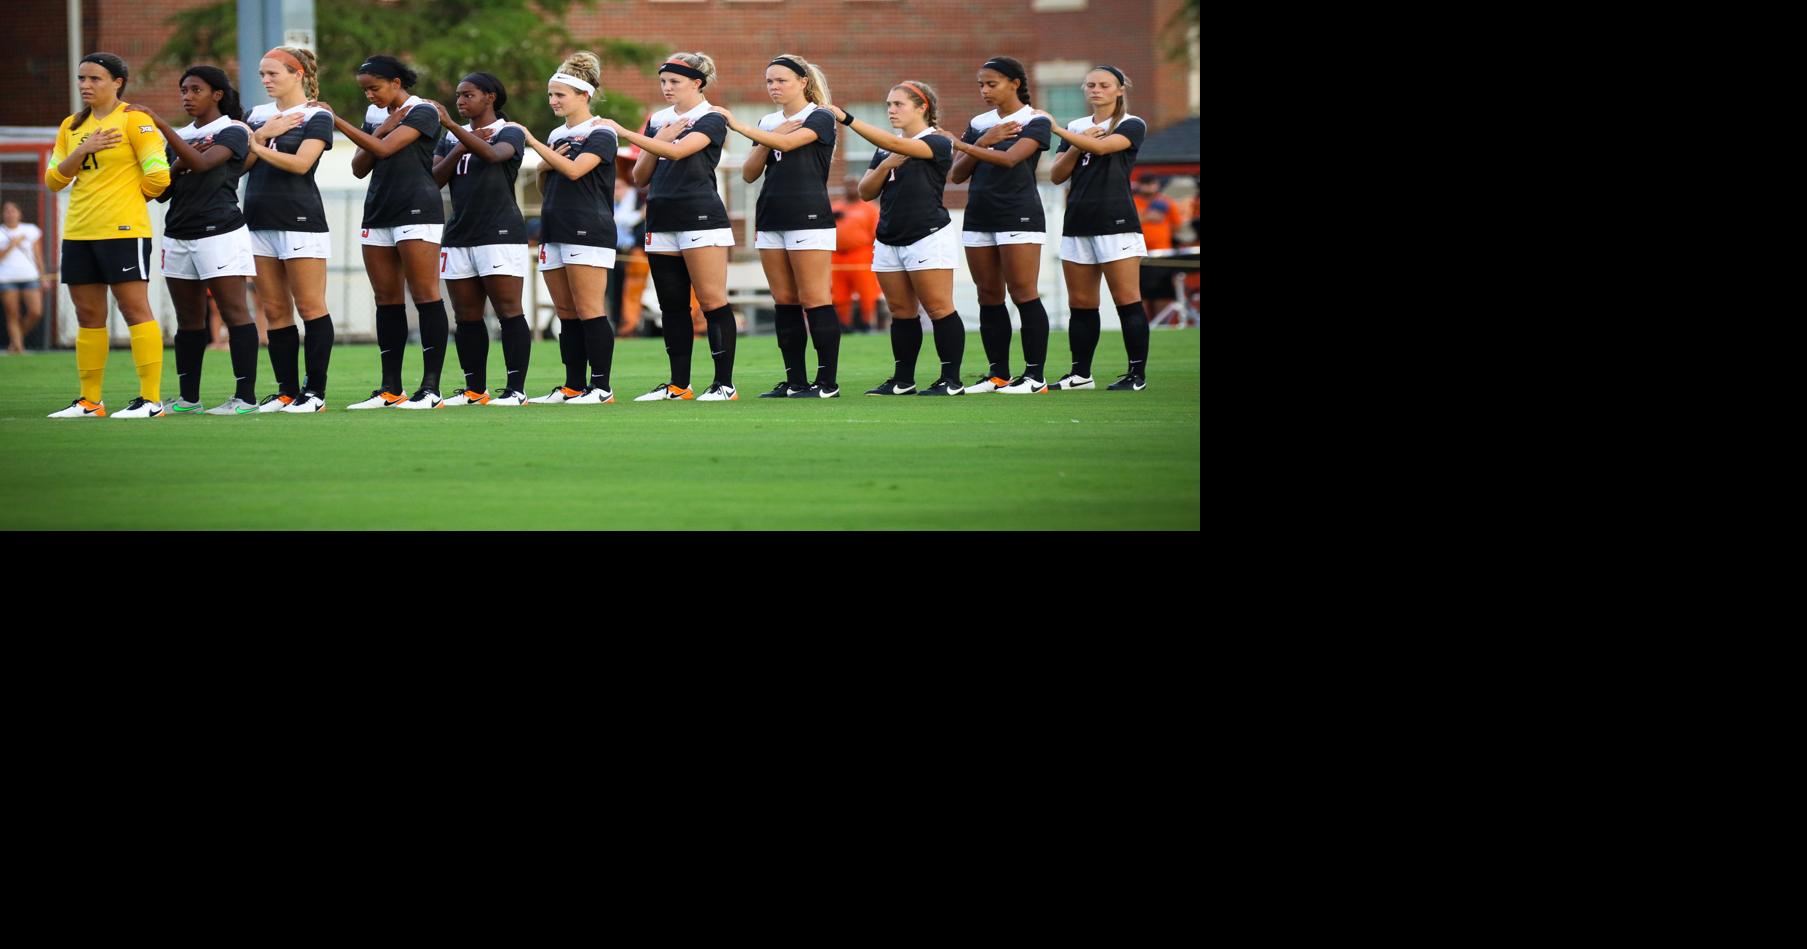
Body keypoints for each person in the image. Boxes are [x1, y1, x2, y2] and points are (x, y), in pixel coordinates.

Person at [601, 52, 738, 402]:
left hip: (700, 216)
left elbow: (679, 153)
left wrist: (624, 132)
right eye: (663, 81)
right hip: (661, 218)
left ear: (697, 83)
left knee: (711, 301)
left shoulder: (711, 117)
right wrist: (658, 135)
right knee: (672, 306)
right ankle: (679, 385)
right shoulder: (659, 120)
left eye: (675, 81)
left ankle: (724, 385)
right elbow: (639, 175)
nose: (667, 87)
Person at [44, 52, 171, 419]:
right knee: (87, 314)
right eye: (81, 78)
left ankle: (151, 400)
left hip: (123, 231)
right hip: (79, 231)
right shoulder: (70, 126)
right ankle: (90, 401)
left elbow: (159, 175)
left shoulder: (135, 120)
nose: (85, 85)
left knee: (134, 309)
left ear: (118, 82)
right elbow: (54, 180)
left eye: (94, 79)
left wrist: (128, 201)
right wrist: (83, 150)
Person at [129, 66, 260, 415]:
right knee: (188, 319)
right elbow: (162, 192)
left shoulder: (233, 130)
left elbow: (202, 164)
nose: (187, 96)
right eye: (183, 90)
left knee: (234, 313)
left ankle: (245, 398)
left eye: (195, 90)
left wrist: (161, 126)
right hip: (178, 234)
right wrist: (175, 164)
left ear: (217, 94)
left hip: (220, 232)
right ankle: (188, 399)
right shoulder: (181, 135)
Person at [320, 55, 448, 410]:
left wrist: (336, 120)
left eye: (374, 88)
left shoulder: (423, 111)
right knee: (386, 300)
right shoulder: (376, 116)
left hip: (417, 209)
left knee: (424, 295)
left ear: (396, 82)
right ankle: (390, 390)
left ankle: (431, 389)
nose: (369, 96)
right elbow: (360, 166)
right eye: (364, 90)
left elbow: (385, 149)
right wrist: (378, 128)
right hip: (378, 210)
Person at [825, 84, 967, 396]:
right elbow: (865, 191)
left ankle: (951, 380)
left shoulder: (937, 140)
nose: (891, 110)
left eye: (899, 104)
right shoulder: (885, 149)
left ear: (922, 107)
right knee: (900, 310)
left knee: (938, 307)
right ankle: (903, 380)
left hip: (927, 235)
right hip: (889, 237)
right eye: (889, 104)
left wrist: (847, 118)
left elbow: (894, 143)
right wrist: (887, 163)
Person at [723, 53, 842, 398]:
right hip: (771, 216)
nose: (774, 87)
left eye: (781, 80)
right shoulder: (769, 121)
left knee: (814, 298)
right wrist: (765, 135)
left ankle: (827, 383)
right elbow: (749, 173)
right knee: (785, 300)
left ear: (803, 82)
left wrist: (739, 126)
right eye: (769, 81)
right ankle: (795, 381)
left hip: (808, 216)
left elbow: (789, 143)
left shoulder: (820, 116)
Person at [514, 51, 619, 406]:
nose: (553, 101)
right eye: (550, 94)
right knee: (566, 312)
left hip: (588, 226)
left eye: (560, 94)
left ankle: (601, 387)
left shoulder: (601, 131)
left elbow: (575, 171)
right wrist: (544, 166)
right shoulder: (557, 134)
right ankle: (573, 385)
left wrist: (533, 144)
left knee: (589, 309)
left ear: (584, 95)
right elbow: (548, 185)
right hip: (554, 226)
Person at [947, 56, 1053, 395]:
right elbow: (957, 174)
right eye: (981, 84)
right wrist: (980, 141)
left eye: (991, 84)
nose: (985, 90)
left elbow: (1010, 159)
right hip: (979, 216)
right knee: (988, 295)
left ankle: (1035, 377)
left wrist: (966, 144)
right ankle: (998, 375)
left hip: (1018, 214)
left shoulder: (1035, 120)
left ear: (1015, 84)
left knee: (1023, 293)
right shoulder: (980, 124)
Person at [1044, 65, 1150, 392]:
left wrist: (1055, 129)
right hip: (1078, 220)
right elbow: (1057, 175)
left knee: (1126, 299)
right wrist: (1076, 142)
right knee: (1080, 303)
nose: (1096, 90)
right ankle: (1080, 375)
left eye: (1104, 85)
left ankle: (1136, 375)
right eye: (1090, 84)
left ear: (1119, 90)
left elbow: (1103, 147)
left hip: (1115, 221)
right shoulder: (1077, 127)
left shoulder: (1131, 123)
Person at [431, 72, 532, 406]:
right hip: (459, 234)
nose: (460, 101)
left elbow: (494, 155)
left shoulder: (509, 130)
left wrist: (453, 127)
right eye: (458, 95)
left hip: (499, 232)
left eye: (468, 94)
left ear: (490, 97)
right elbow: (434, 179)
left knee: (508, 310)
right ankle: (475, 390)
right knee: (466, 316)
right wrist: (459, 142)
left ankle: (516, 390)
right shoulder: (451, 139)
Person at [242, 46, 334, 413]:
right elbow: (240, 166)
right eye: (262, 74)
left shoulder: (317, 115)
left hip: (300, 220)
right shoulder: (255, 116)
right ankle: (286, 391)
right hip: (257, 220)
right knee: (274, 309)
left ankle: (315, 394)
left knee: (309, 306)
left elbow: (300, 164)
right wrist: (262, 134)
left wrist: (255, 143)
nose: (265, 80)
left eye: (273, 73)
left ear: (298, 75)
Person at [830, 177, 882, 332]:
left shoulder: (870, 208)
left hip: (860, 255)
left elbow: (876, 233)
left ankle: (867, 324)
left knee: (867, 293)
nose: (850, 188)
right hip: (837, 256)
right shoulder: (835, 207)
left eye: (854, 185)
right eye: (848, 185)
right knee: (839, 295)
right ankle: (844, 324)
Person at [1, 201, 50, 354]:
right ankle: (19, 349)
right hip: (6, 279)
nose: (10, 214)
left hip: (30, 276)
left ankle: (15, 342)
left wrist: (43, 276)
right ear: (3, 214)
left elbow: (38, 255)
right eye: (6, 211)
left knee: (35, 312)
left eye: (13, 210)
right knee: (13, 314)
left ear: (19, 214)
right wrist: (11, 245)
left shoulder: (30, 230)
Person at [1134, 175, 1183, 313]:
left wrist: (1144, 217)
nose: (1148, 187)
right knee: (1138, 295)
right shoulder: (1132, 201)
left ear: (1157, 185)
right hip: (1138, 256)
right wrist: (1147, 217)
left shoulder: (1166, 202)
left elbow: (1177, 226)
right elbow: (1127, 220)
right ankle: (1143, 323)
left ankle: (1161, 323)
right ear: (1139, 185)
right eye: (1145, 183)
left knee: (1162, 294)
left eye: (1151, 183)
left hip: (1162, 255)